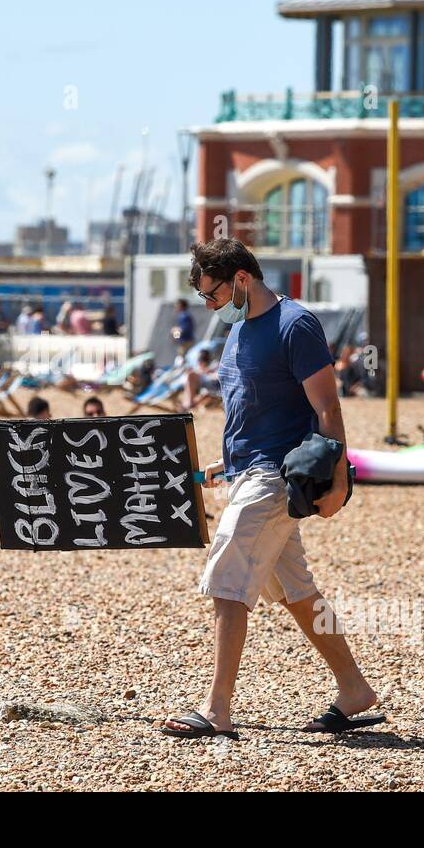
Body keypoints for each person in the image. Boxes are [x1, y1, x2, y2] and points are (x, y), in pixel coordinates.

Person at [161, 238, 380, 740]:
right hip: (248, 471)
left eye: (213, 294)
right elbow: (256, 409)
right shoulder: (239, 328)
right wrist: (229, 462)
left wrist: (339, 477)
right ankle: (354, 688)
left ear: (241, 278)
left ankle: (217, 710)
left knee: (226, 578)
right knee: (297, 593)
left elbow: (327, 408)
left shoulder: (295, 324)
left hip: (277, 477)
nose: (209, 306)